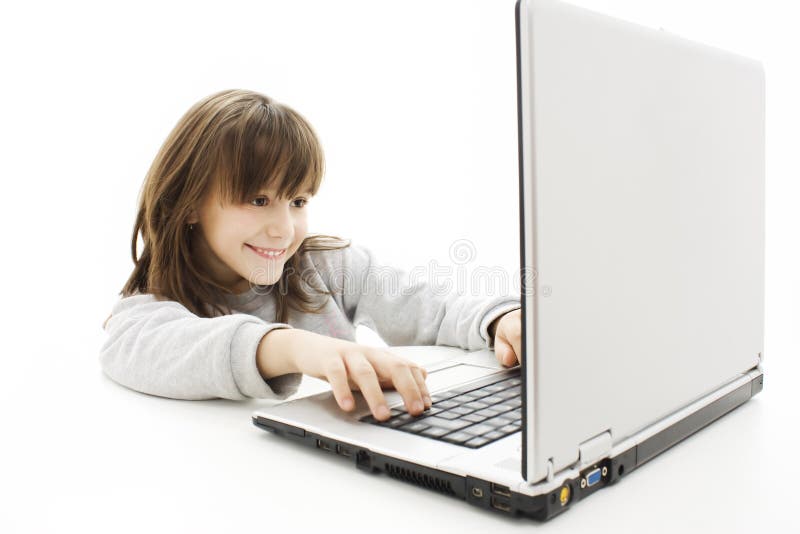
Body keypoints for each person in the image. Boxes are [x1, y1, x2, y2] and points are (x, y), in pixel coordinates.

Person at [100, 89, 522, 422]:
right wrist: (295, 347)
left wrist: (501, 319)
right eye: (259, 199)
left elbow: (430, 306)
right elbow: (136, 348)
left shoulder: (323, 266)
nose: (284, 229)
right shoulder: (151, 311)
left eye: (298, 201)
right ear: (190, 203)